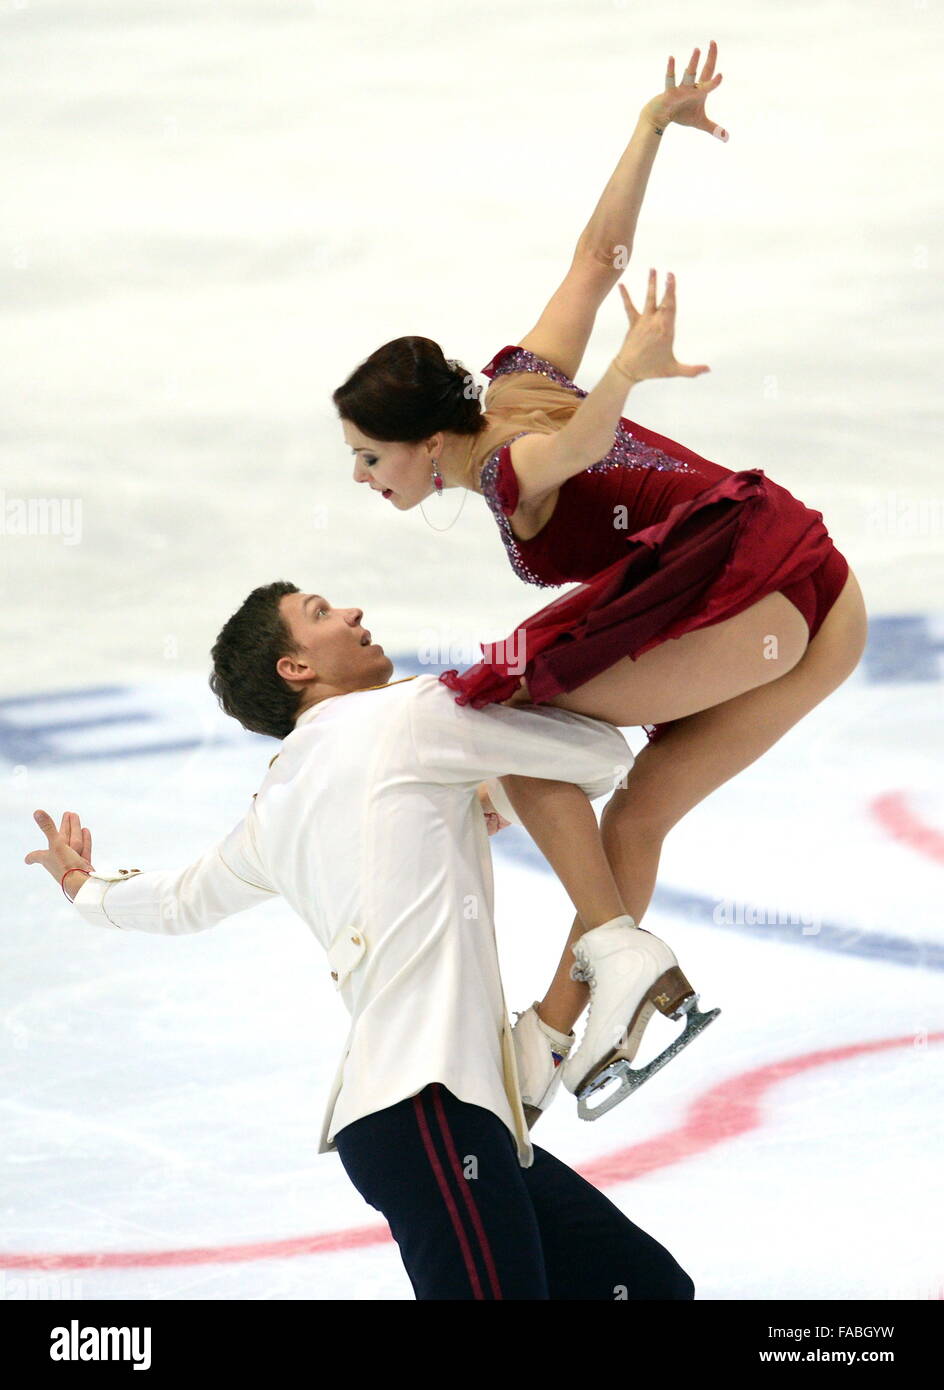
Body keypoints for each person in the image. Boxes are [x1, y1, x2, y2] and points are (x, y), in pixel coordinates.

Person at [332, 42, 867, 1094]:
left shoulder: (509, 469)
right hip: (824, 603)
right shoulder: (518, 380)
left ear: (425, 445)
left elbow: (570, 454)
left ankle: (613, 963)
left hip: (755, 590)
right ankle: (560, 1028)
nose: (361, 477)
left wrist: (622, 372)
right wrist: (647, 128)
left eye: (367, 456)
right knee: (635, 808)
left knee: (506, 707)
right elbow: (595, 260)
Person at [23, 580, 695, 1300]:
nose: (353, 613)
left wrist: (85, 890)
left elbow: (182, 900)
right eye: (321, 615)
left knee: (640, 1285)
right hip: (426, 1108)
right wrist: (492, 782)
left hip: (430, 1121)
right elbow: (596, 757)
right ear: (295, 668)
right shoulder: (404, 715)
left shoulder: (277, 804)